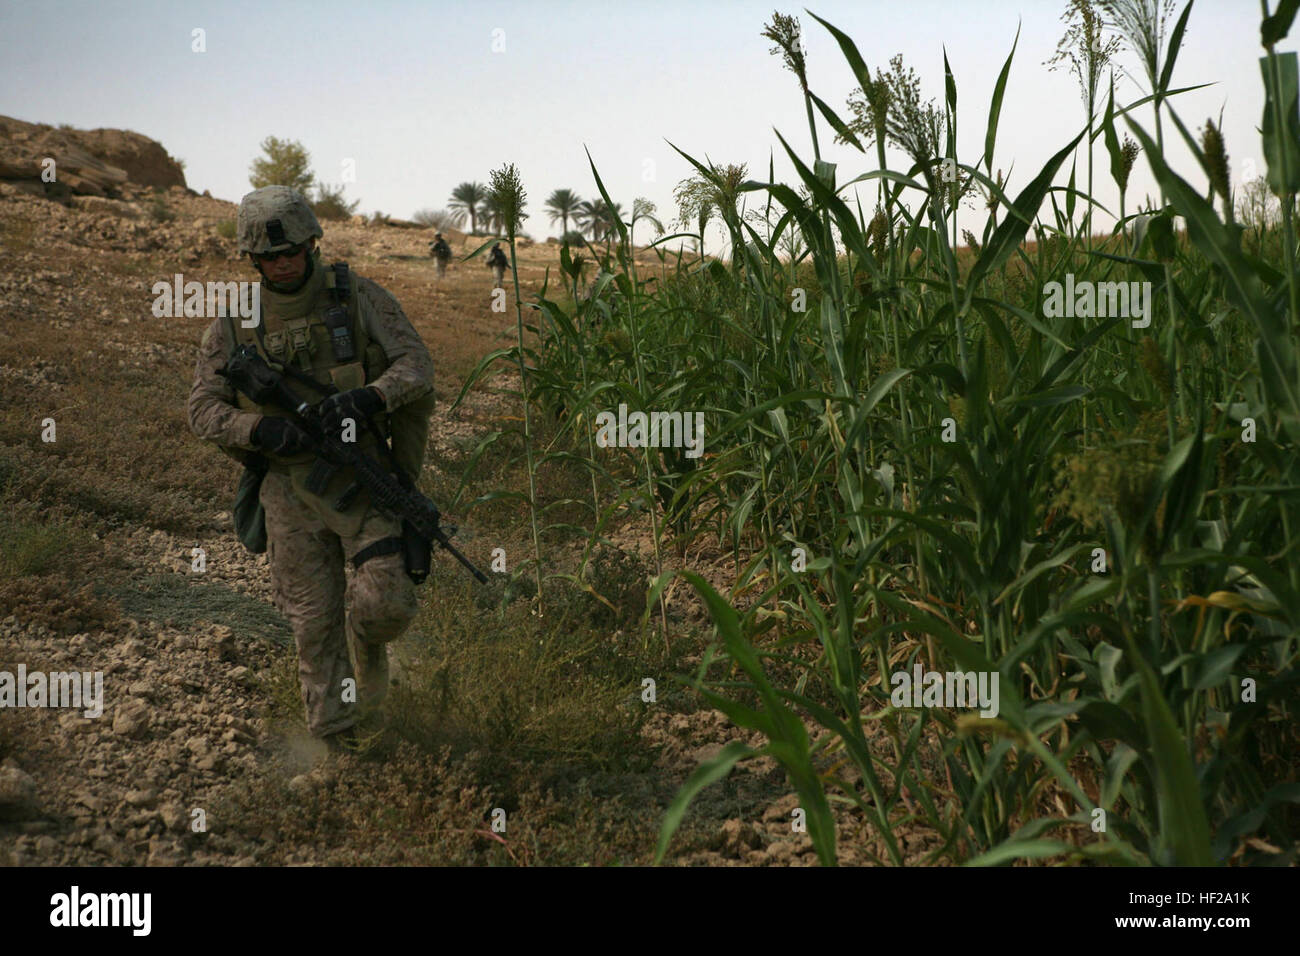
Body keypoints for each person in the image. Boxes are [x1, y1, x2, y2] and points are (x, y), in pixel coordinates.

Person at [187, 185, 436, 750]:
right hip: (288, 488)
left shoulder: (357, 298)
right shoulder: (234, 323)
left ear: (312, 243)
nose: (283, 263)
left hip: (361, 477)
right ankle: (336, 746)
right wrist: (259, 429)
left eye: (292, 251)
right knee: (312, 622)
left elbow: (416, 366)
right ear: (253, 259)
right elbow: (201, 409)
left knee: (384, 608)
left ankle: (368, 651)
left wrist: (370, 398)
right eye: (270, 256)